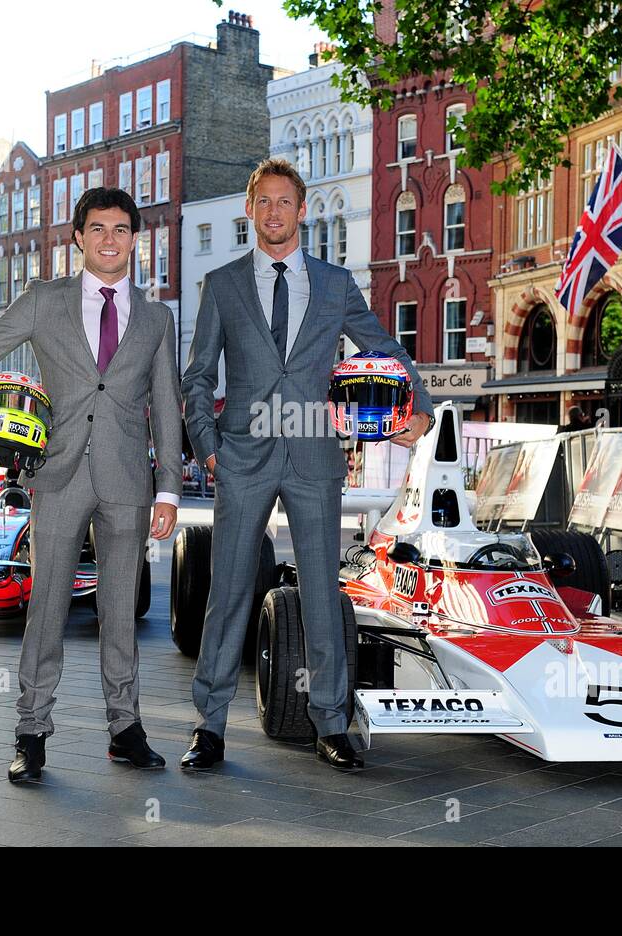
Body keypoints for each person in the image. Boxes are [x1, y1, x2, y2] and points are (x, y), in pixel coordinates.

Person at [180, 158, 433, 772]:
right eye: (263, 202)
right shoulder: (223, 284)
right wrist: (209, 446)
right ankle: (209, 727)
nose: (273, 212)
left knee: (322, 589)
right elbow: (197, 377)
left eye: (284, 202)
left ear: (301, 210)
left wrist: (417, 406)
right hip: (241, 455)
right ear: (251, 210)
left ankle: (330, 720)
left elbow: (384, 348)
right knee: (229, 589)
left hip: (316, 454)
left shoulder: (334, 284)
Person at [0, 186, 182, 779]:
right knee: (46, 605)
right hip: (59, 474)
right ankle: (31, 732)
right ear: (78, 237)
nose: (109, 239)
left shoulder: (156, 317)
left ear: (134, 238)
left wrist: (171, 489)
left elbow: (167, 406)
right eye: (97, 228)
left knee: (120, 609)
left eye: (121, 229)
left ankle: (125, 729)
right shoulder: (44, 300)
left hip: (128, 481)